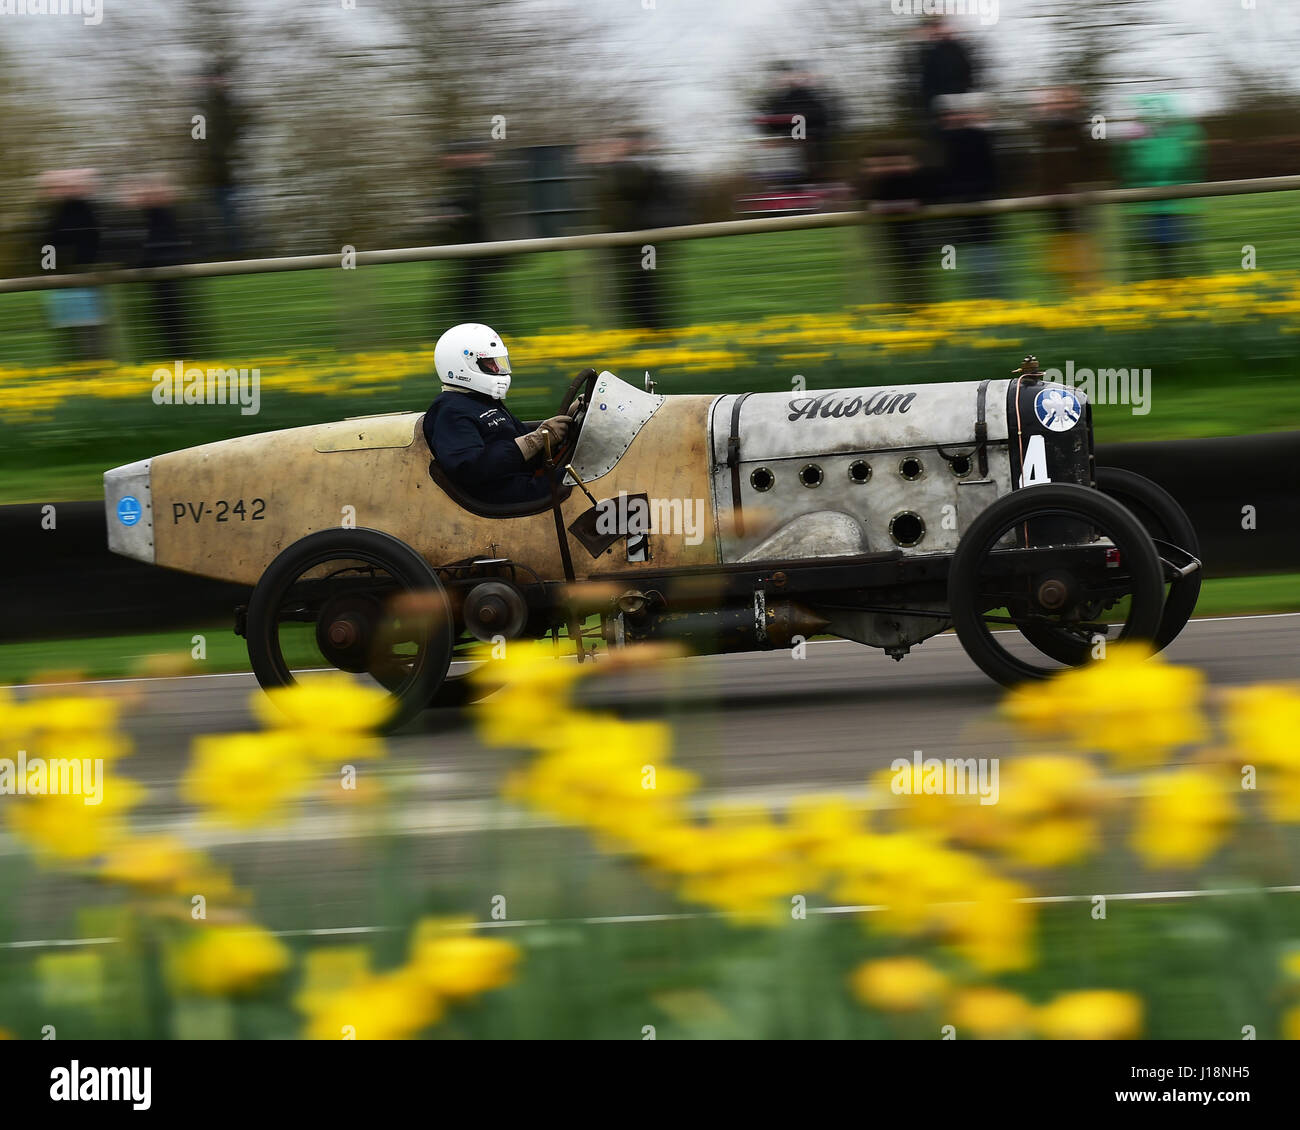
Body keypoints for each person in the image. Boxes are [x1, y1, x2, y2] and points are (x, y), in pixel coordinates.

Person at [423, 323, 572, 505]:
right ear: (462, 365)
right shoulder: (449, 411)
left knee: (585, 472)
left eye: (498, 363)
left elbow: (527, 452)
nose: (496, 370)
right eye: (489, 363)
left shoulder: (483, 401)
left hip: (520, 484)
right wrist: (533, 441)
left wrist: (567, 424)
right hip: (498, 497)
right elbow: (471, 469)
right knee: (585, 480)